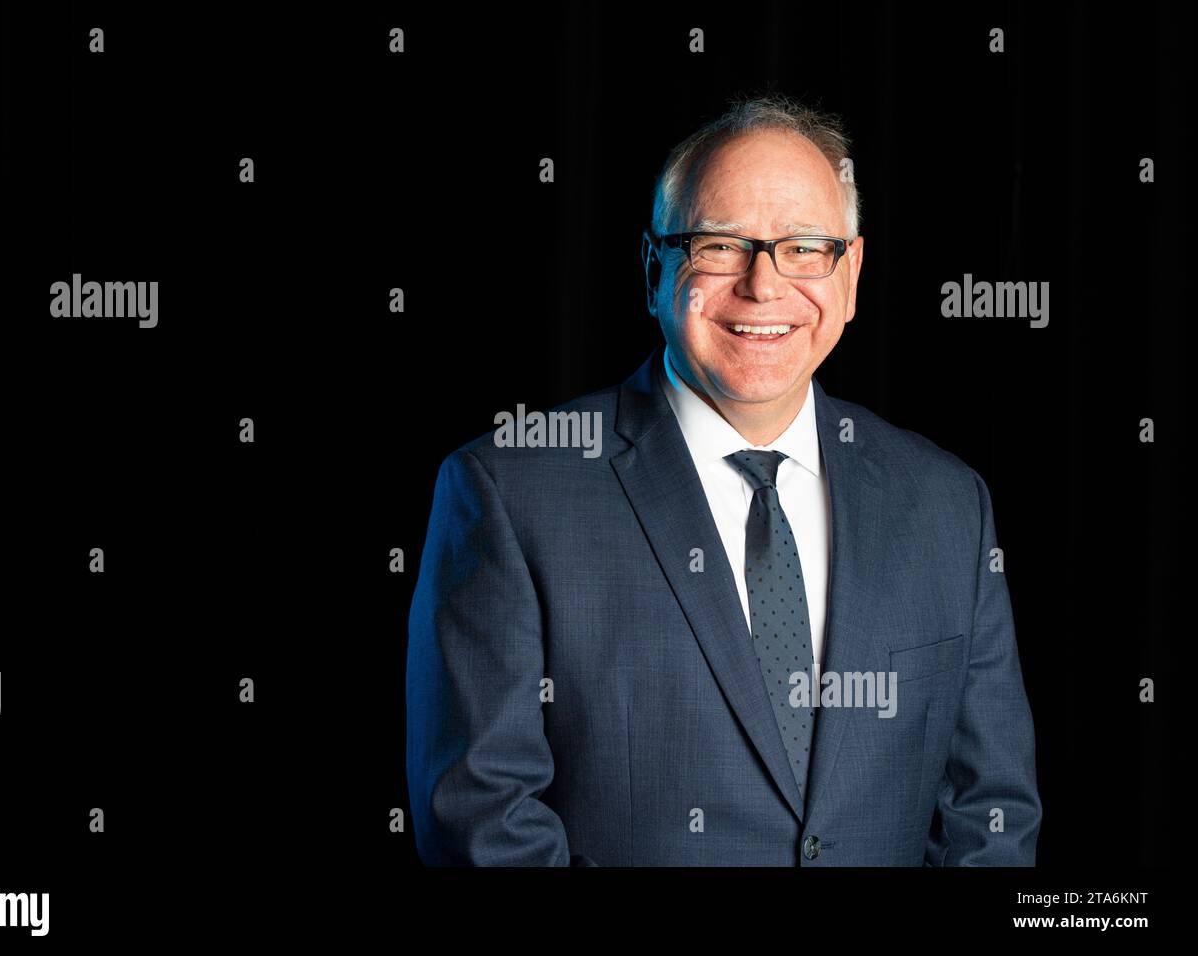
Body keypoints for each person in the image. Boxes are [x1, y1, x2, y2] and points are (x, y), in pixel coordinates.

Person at [406, 94, 1041, 866]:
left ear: (851, 275)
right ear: (654, 269)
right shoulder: (508, 493)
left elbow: (989, 811)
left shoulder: (948, 504)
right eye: (719, 245)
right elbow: (484, 822)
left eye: (806, 247)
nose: (764, 286)